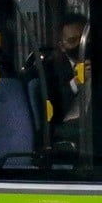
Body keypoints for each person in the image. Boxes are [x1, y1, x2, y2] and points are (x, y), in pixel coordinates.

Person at [31, 12, 91, 152]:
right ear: (62, 46)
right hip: (64, 128)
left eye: (84, 39)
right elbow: (52, 110)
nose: (81, 45)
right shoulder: (50, 69)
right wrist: (76, 82)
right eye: (72, 41)